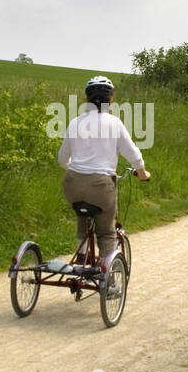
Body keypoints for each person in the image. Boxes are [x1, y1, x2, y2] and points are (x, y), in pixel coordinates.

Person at [57, 75, 152, 267]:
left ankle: (81, 258)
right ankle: (107, 278)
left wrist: (78, 171)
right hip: (101, 186)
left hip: (72, 184)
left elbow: (62, 159)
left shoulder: (75, 123)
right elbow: (134, 155)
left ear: (87, 99)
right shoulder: (114, 123)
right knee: (107, 230)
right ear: (110, 100)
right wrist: (143, 174)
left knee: (82, 213)